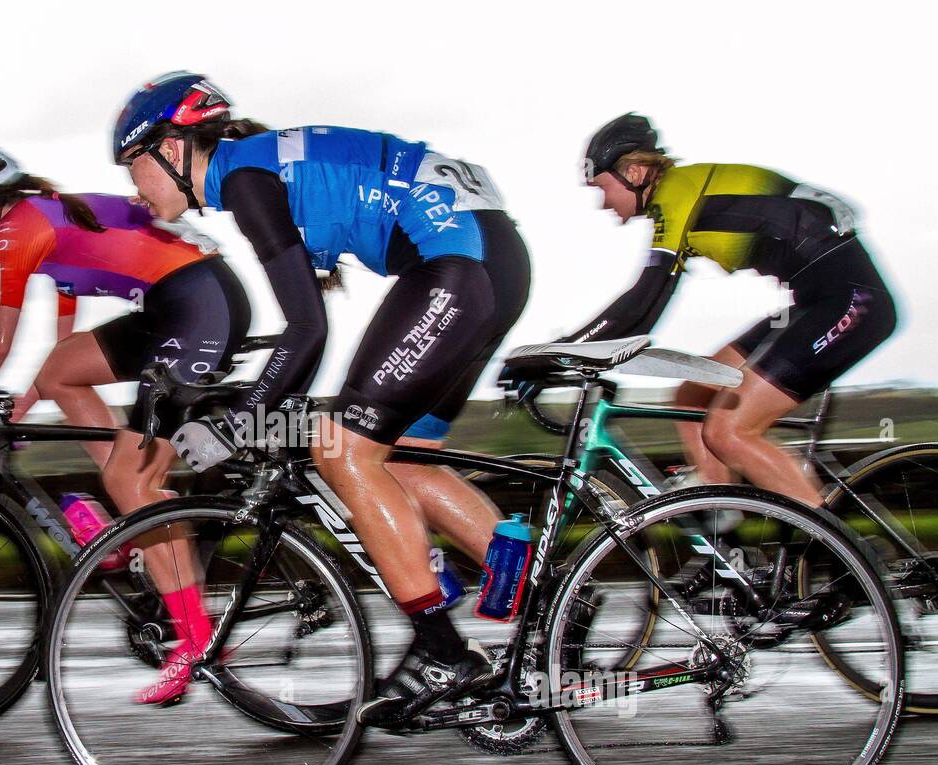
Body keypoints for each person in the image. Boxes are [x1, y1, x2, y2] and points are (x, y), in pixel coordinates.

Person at [113, 72, 532, 725]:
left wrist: (240, 423)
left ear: (172, 148)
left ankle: (444, 653)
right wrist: (253, 406)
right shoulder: (261, 172)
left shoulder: (247, 178)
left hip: (457, 262)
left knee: (346, 452)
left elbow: (308, 330)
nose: (131, 187)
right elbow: (299, 344)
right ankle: (552, 598)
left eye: (132, 165)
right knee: (404, 459)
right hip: (490, 259)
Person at [0, 147, 251, 703]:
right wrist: (18, 407)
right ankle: (129, 516)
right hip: (177, 303)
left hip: (196, 304)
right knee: (66, 377)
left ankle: (195, 639)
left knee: (130, 484)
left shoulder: (18, 232)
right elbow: (61, 357)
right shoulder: (48, 228)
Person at [553, 114, 897, 507]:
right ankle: (721, 531)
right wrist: (571, 349)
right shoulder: (679, 202)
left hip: (852, 303)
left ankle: (837, 555)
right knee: (692, 395)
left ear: (634, 171)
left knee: (728, 432)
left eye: (603, 187)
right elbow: (649, 305)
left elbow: (643, 300)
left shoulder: (676, 191)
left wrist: (563, 349)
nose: (603, 203)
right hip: (815, 304)